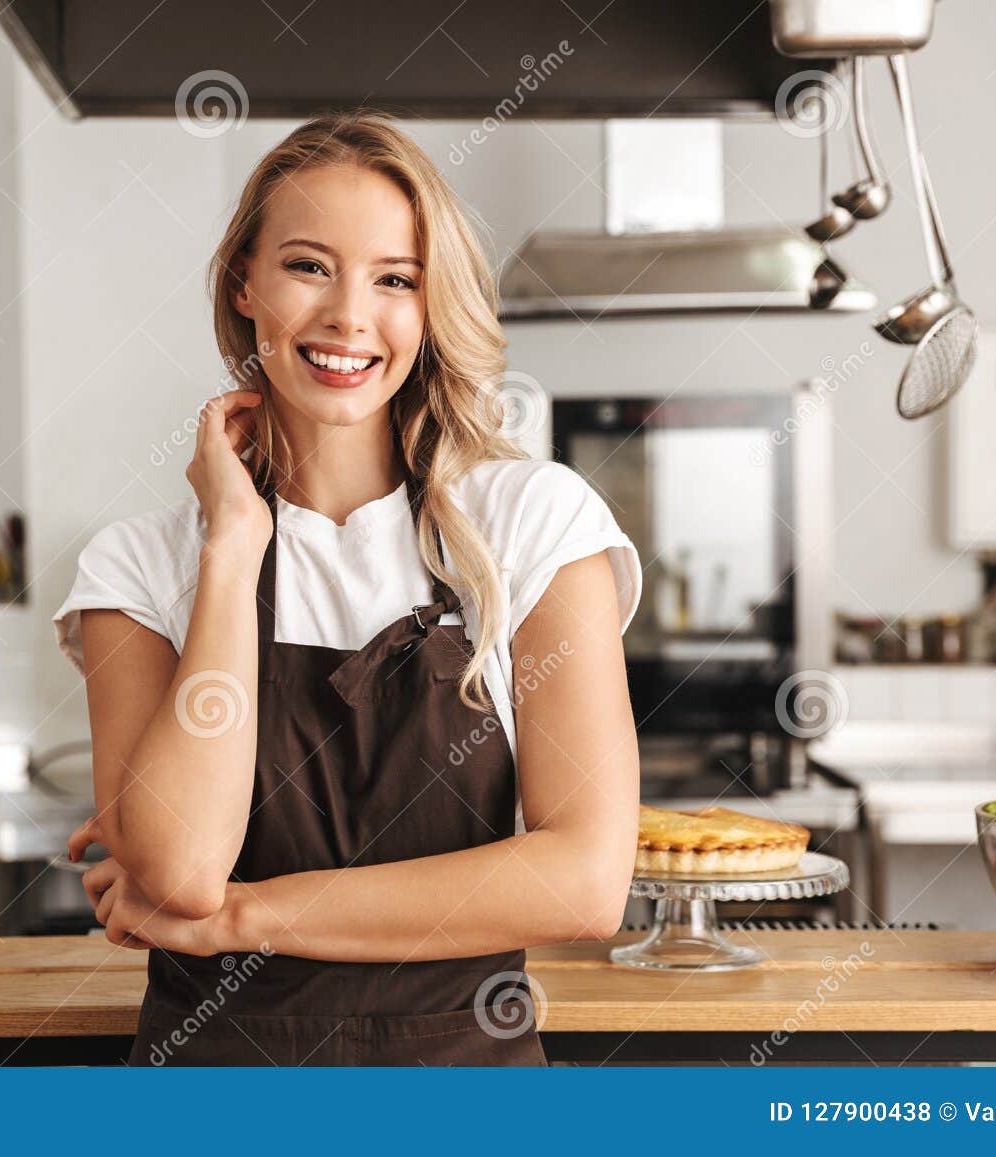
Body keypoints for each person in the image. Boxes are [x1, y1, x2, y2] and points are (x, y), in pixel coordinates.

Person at [52, 109, 642, 1066]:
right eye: (308, 266)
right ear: (244, 282)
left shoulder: (533, 525)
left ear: (428, 303)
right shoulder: (139, 566)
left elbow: (582, 882)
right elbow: (182, 867)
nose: (349, 317)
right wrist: (234, 545)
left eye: (395, 279)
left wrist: (245, 915)